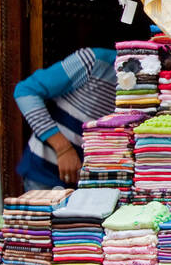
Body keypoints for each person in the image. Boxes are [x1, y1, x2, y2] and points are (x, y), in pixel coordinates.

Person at [14, 46, 118, 191]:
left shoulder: (155, 81)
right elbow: (25, 91)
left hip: (97, 186)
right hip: (46, 174)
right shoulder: (94, 61)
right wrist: (63, 149)